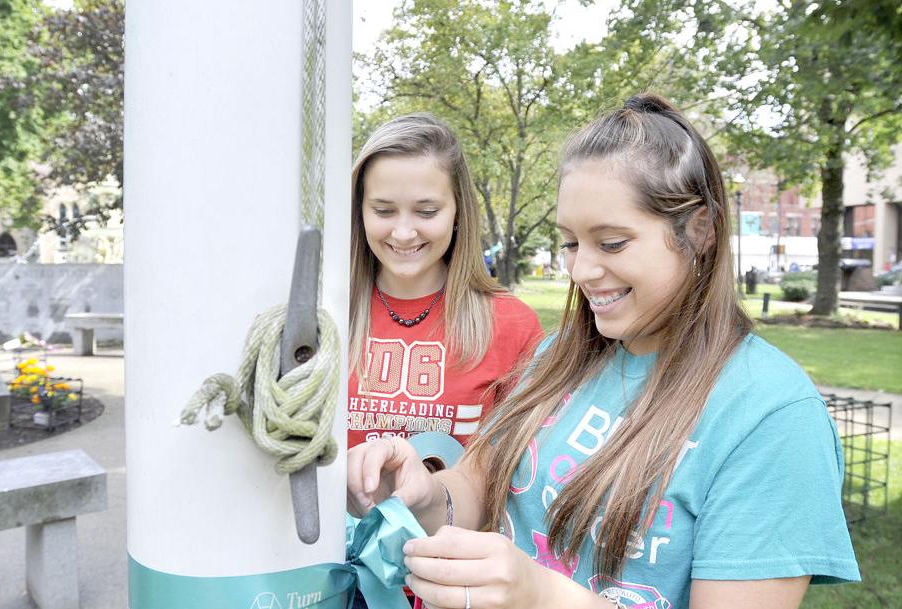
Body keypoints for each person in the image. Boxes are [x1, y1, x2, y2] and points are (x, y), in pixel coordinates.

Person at [347, 95, 859, 609]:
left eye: (611, 244)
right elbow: (476, 485)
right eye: (570, 243)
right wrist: (424, 493)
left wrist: (540, 596)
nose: (580, 270)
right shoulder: (557, 357)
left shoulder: (772, 416)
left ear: (698, 229)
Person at [348, 113, 542, 456]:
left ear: (457, 213)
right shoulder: (326, 317)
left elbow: (520, 471)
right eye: (383, 211)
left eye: (426, 212)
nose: (404, 233)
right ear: (359, 212)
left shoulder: (513, 325)